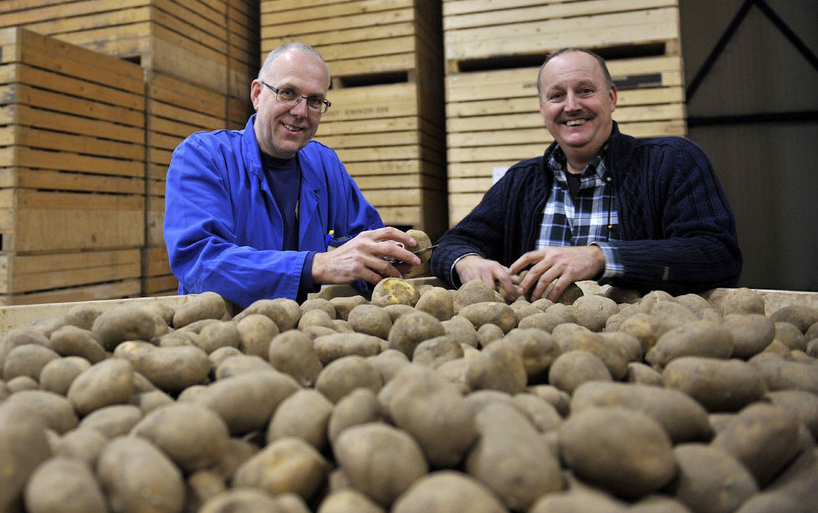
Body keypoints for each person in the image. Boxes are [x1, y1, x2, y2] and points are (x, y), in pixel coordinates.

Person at [431, 47, 742, 302]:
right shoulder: (520, 181)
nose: (571, 105)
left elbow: (717, 255)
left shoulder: (672, 161)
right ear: (543, 109)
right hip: (540, 346)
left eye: (585, 91)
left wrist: (601, 257)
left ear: (612, 98)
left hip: (641, 342)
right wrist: (467, 262)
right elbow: (450, 244)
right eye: (556, 96)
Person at [164, 42, 420, 309]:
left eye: (315, 101)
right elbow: (199, 263)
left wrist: (390, 258)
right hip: (220, 335)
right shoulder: (204, 156)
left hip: (310, 334)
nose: (300, 112)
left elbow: (364, 239)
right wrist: (315, 266)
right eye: (288, 93)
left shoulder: (325, 164)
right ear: (257, 94)